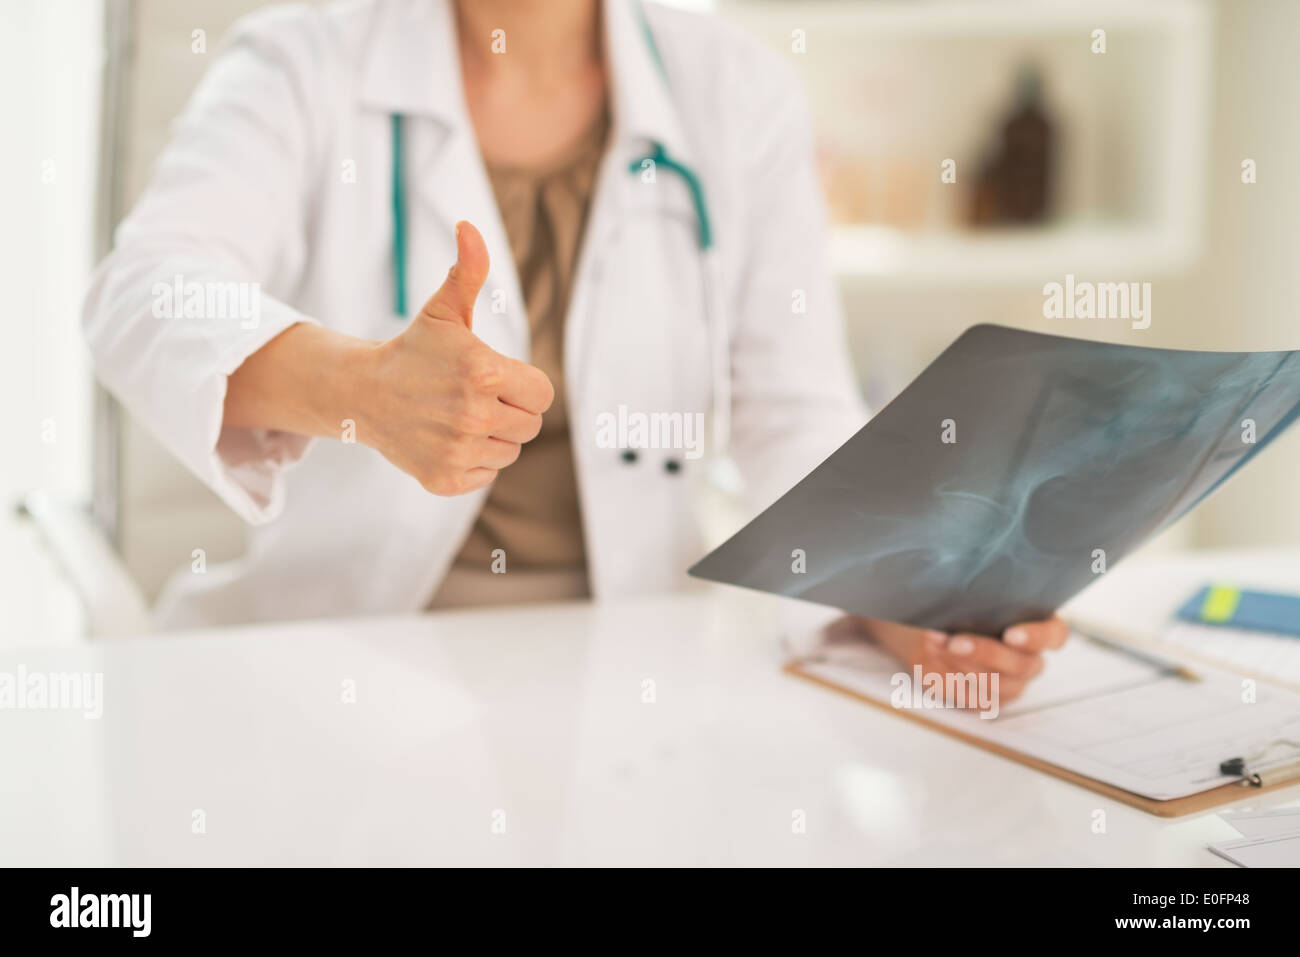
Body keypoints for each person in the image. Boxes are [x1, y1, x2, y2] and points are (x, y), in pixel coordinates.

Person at [82, 0, 1066, 701]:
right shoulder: (300, 63)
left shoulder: (736, 91)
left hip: (633, 660)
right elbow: (144, 292)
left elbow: (790, 409)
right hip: (348, 657)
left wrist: (899, 592)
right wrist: (362, 392)